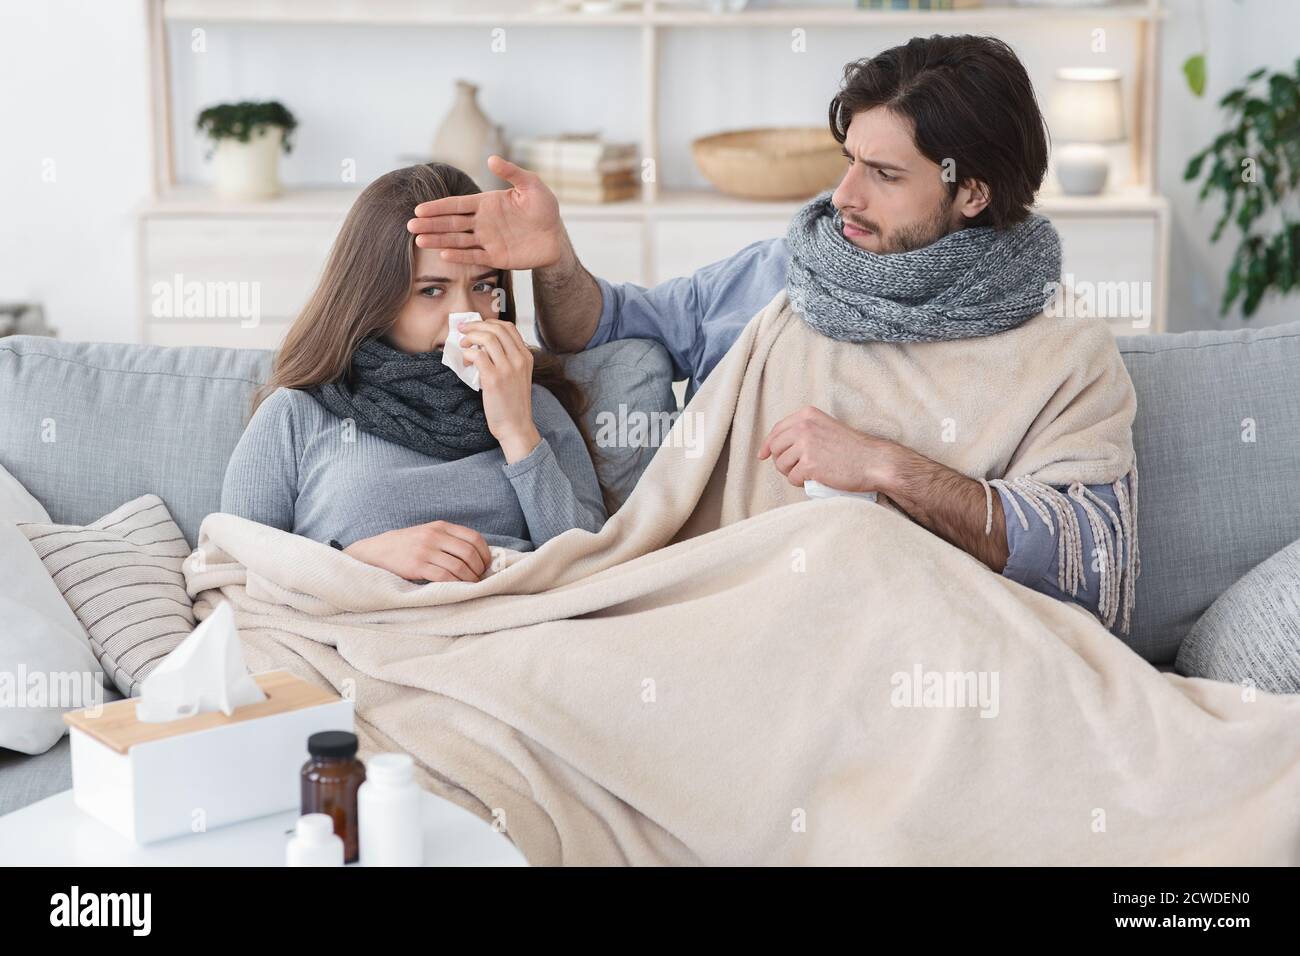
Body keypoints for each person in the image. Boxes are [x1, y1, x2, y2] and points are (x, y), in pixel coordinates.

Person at [406, 35, 1135, 627]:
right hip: (733, 621)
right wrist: (555, 259)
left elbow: (1091, 556)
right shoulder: (784, 273)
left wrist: (887, 467)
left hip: (924, 644)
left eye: (883, 173)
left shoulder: (1065, 350)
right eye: (848, 160)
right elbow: (604, 330)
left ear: (971, 191)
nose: (843, 194)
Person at [221, 163, 607, 584]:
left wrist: (517, 432)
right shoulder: (296, 415)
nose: (465, 315)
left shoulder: (532, 404)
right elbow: (234, 575)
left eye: (482, 286)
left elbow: (590, 572)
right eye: (431, 290)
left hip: (508, 632)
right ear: (374, 298)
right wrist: (357, 560)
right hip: (360, 633)